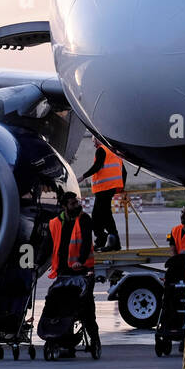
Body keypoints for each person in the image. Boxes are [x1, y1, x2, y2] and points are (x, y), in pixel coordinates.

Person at [47, 192, 97, 338]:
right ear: (64, 206)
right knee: (63, 308)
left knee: (86, 307)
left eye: (77, 202)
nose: (77, 206)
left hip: (83, 271)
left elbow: (86, 243)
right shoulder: (55, 223)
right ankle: (65, 341)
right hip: (64, 271)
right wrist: (35, 263)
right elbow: (48, 245)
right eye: (72, 204)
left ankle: (94, 339)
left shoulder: (84, 219)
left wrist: (79, 261)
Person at [79, 140, 123, 251]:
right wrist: (121, 187)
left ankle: (114, 242)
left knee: (104, 215)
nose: (93, 143)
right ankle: (102, 240)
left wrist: (83, 177)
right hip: (109, 188)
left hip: (104, 188)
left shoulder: (102, 149)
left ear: (99, 139)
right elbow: (124, 172)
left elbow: (97, 166)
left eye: (94, 140)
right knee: (97, 216)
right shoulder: (114, 152)